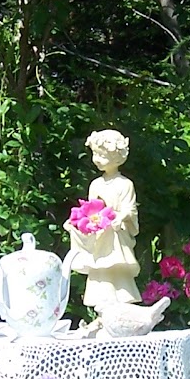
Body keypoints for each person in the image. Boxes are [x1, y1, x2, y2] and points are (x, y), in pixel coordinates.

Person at [69, 129, 142, 310]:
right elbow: (90, 208)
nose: (97, 159)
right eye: (95, 154)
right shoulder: (96, 184)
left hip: (115, 234)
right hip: (100, 234)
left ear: (117, 157)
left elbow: (129, 208)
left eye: (102, 155)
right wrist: (78, 222)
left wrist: (119, 218)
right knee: (100, 271)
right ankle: (103, 312)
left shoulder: (125, 184)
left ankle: (119, 306)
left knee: (115, 268)